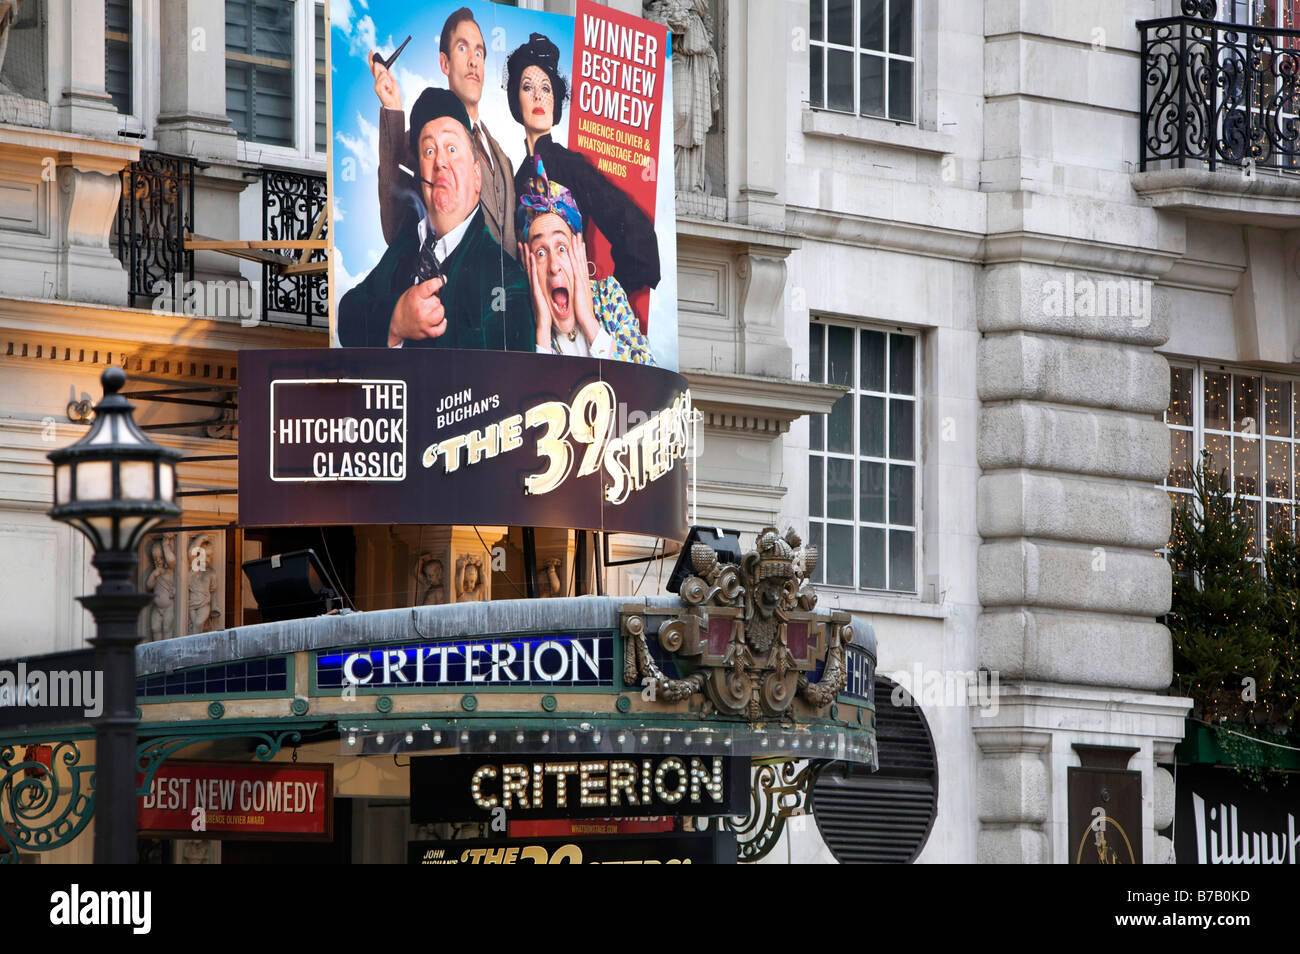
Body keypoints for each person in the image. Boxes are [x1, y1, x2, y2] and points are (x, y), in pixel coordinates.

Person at [337, 87, 533, 352]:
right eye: (429, 151)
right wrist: (395, 321)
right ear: (420, 177)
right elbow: (348, 314)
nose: (440, 161)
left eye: (452, 148)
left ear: (477, 177)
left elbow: (509, 385)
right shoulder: (405, 245)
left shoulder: (508, 279)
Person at [505, 33, 660, 298]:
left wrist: (605, 301)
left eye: (546, 88)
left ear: (556, 101)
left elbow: (637, 232)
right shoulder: (514, 178)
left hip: (574, 314)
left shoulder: (572, 166)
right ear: (516, 101)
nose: (538, 97)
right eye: (527, 87)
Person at [370, 6, 516, 255]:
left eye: (479, 52)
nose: (473, 60)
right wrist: (392, 108)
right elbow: (394, 228)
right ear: (444, 63)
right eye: (462, 48)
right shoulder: (421, 145)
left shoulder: (502, 157)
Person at [516, 157, 655, 364]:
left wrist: (589, 322)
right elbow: (525, 395)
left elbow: (648, 379)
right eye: (541, 253)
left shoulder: (608, 295)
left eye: (562, 248)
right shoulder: (519, 316)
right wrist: (543, 331)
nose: (554, 267)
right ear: (526, 263)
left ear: (580, 253)